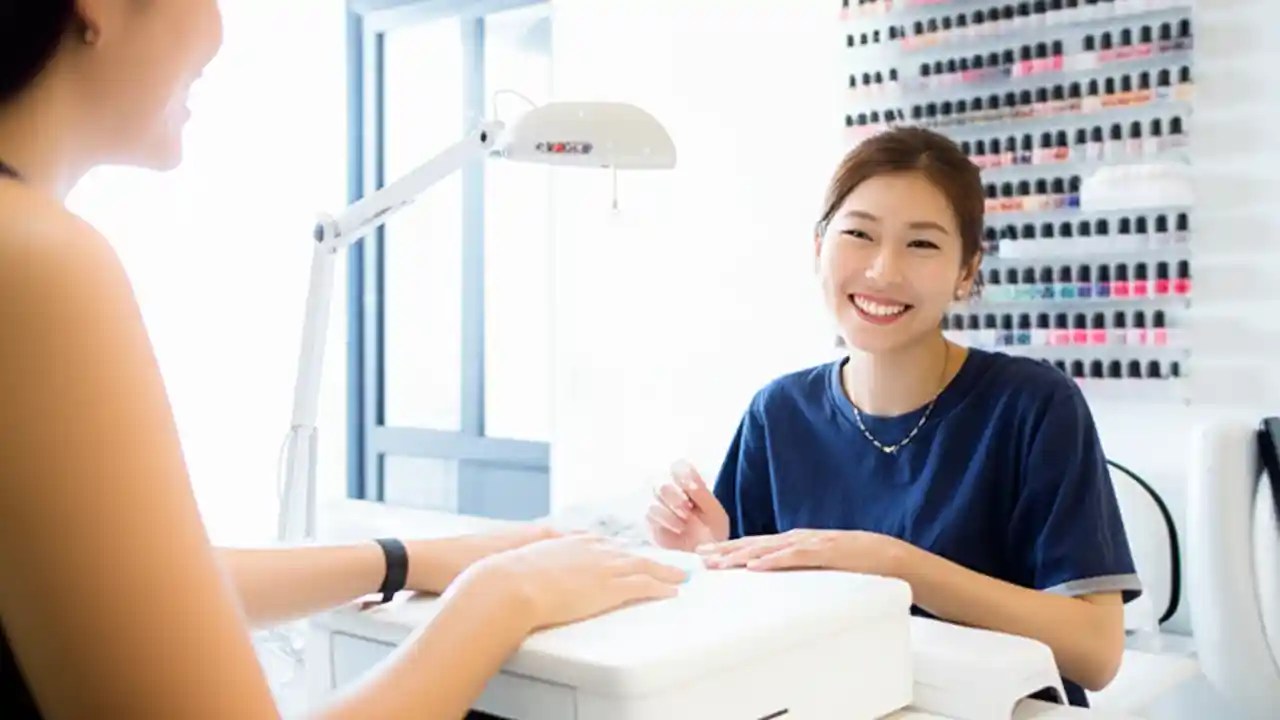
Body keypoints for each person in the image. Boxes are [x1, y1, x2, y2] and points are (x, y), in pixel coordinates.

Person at [0, 2, 685, 718]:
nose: (218, 28)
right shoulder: (35, 261)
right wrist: (508, 594)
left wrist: (404, 559)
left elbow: (127, 589)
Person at [647, 126, 1141, 708]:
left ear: (966, 271)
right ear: (818, 247)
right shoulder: (778, 413)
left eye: (923, 244)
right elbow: (759, 634)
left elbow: (1096, 652)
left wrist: (896, 565)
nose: (883, 271)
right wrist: (711, 558)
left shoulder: (1033, 405)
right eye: (859, 234)